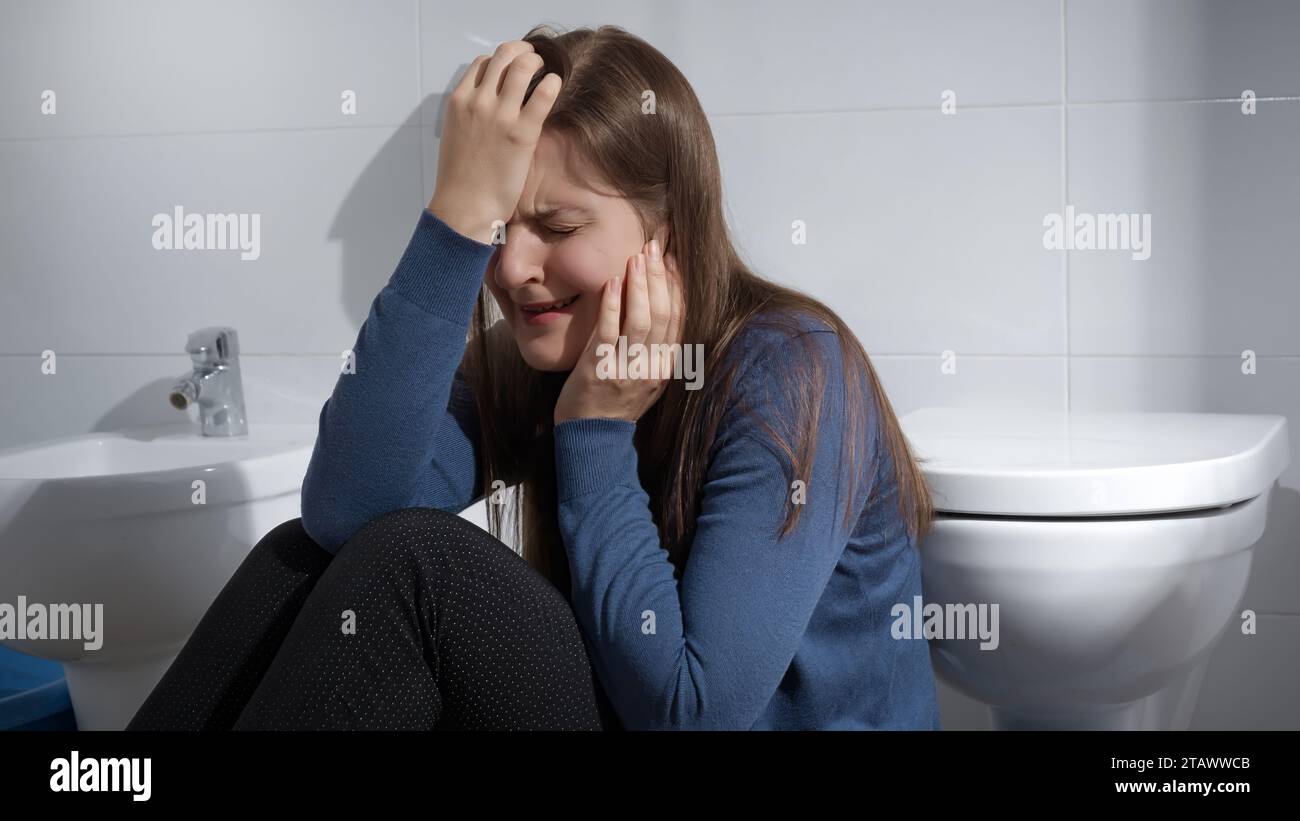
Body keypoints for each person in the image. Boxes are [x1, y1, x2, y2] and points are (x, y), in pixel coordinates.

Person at [127, 24, 941, 732]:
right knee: (293, 560)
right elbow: (342, 514)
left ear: (671, 230)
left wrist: (594, 431)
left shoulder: (795, 368)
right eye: (497, 227)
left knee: (424, 566)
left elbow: (692, 710)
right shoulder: (527, 360)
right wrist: (452, 223)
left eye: (556, 226)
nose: (512, 268)